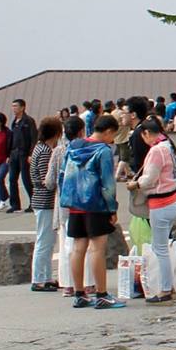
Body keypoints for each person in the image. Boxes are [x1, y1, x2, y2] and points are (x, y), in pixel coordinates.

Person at [60, 114, 121, 308]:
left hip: (75, 203)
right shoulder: (103, 151)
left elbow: (63, 174)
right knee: (97, 248)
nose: (113, 140)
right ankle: (101, 294)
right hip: (96, 204)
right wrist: (112, 208)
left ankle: (79, 293)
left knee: (78, 248)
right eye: (113, 135)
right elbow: (108, 184)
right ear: (109, 131)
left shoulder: (73, 146)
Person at [125, 116, 176, 303]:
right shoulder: (169, 146)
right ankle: (169, 285)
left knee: (160, 248)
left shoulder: (157, 150)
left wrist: (135, 185)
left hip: (160, 203)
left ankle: (165, 289)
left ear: (147, 133)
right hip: (172, 199)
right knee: (164, 246)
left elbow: (149, 178)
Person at [29, 117, 63, 292]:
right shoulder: (44, 151)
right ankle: (39, 278)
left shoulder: (40, 148)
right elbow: (46, 179)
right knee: (44, 240)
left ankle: (46, 276)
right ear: (56, 133)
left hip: (41, 200)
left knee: (48, 241)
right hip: (44, 200)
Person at [6, 99, 36, 212]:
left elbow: (33, 138)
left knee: (26, 179)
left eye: (16, 106)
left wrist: (31, 153)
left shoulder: (28, 121)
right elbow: (12, 138)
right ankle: (15, 204)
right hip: (14, 153)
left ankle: (33, 202)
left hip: (24, 153)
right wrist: (8, 154)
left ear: (22, 107)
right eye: (12, 106)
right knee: (12, 179)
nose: (13, 108)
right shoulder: (14, 121)